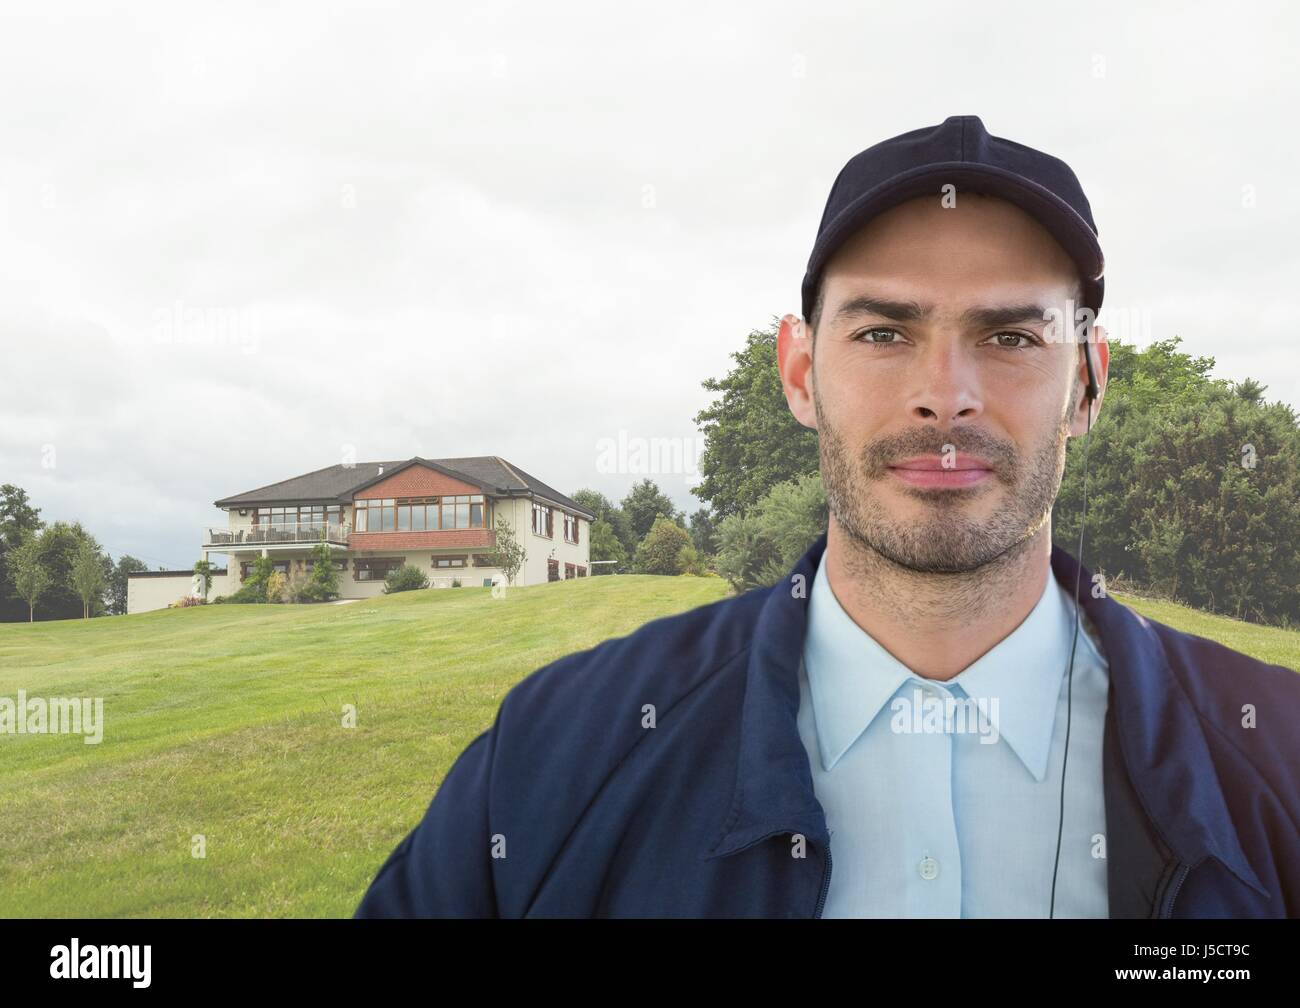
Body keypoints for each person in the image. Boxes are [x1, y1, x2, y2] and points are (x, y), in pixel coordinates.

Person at [354, 116, 1300, 918]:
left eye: (1011, 336)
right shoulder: (552, 756)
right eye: (884, 333)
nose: (945, 397)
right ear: (801, 373)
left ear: (1087, 384)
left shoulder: (1280, 754)